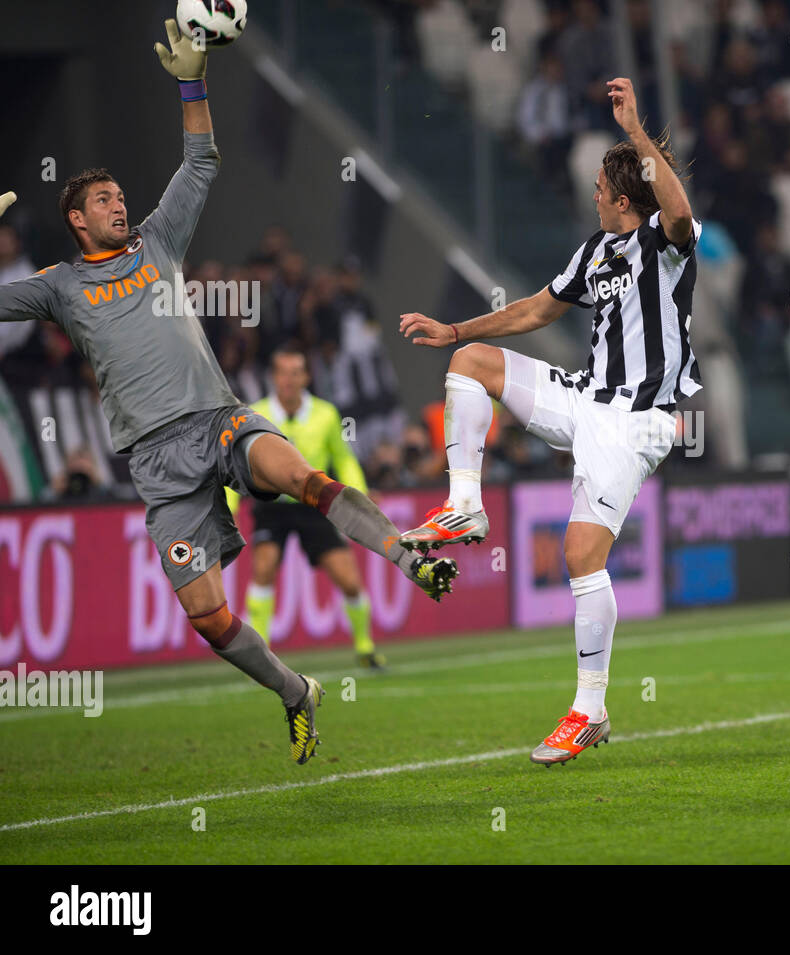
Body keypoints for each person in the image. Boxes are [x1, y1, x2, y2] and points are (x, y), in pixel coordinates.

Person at [0, 21, 456, 765]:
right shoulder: (58, 287)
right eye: (105, 201)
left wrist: (192, 83)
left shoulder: (158, 242)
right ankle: (294, 691)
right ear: (76, 219)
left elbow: (202, 159)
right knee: (208, 619)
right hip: (154, 462)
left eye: (121, 196)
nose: (120, 205)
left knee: (302, 476)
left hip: (217, 420)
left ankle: (409, 556)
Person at [397, 77, 700, 766]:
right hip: (585, 397)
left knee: (579, 555)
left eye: (602, 184)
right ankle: (465, 505)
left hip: (637, 418)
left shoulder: (665, 240)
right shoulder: (594, 252)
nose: (593, 191)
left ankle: (589, 709)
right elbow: (536, 309)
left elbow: (678, 206)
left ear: (625, 198)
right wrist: (455, 328)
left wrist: (633, 132)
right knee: (474, 361)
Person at [225, 345, 386, 670]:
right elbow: (235, 464)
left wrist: (361, 493)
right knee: (264, 568)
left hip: (313, 503)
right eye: (282, 373)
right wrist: (230, 506)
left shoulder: (325, 414)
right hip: (271, 504)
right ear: (273, 377)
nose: (288, 379)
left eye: (295, 372)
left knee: (349, 579)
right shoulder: (254, 414)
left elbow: (342, 458)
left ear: (306, 377)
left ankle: (365, 647)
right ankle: (262, 655)